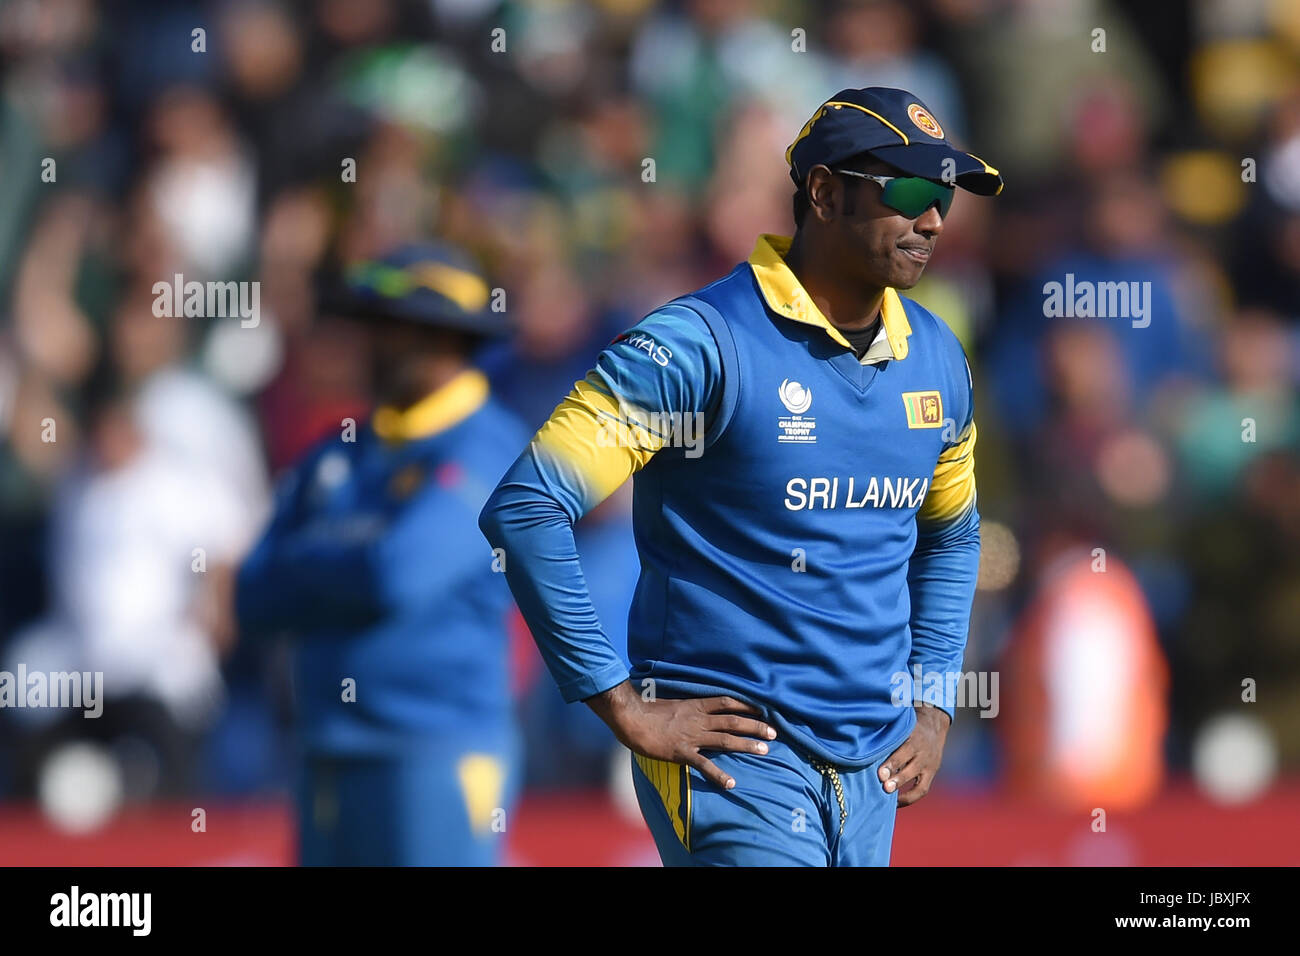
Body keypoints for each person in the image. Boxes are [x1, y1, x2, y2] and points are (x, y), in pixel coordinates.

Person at [480, 88, 1002, 866]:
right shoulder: (697, 345)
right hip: (730, 757)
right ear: (824, 193)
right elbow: (526, 507)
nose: (932, 219)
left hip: (874, 766)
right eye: (912, 191)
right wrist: (624, 706)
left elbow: (953, 539)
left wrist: (932, 703)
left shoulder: (938, 358)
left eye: (945, 199)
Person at [236, 241, 527, 865]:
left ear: (438, 338)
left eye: (382, 328)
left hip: (432, 751)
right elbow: (252, 594)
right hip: (328, 752)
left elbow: (396, 574)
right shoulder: (337, 451)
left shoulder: (492, 450)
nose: (362, 344)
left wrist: (311, 555)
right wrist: (348, 555)